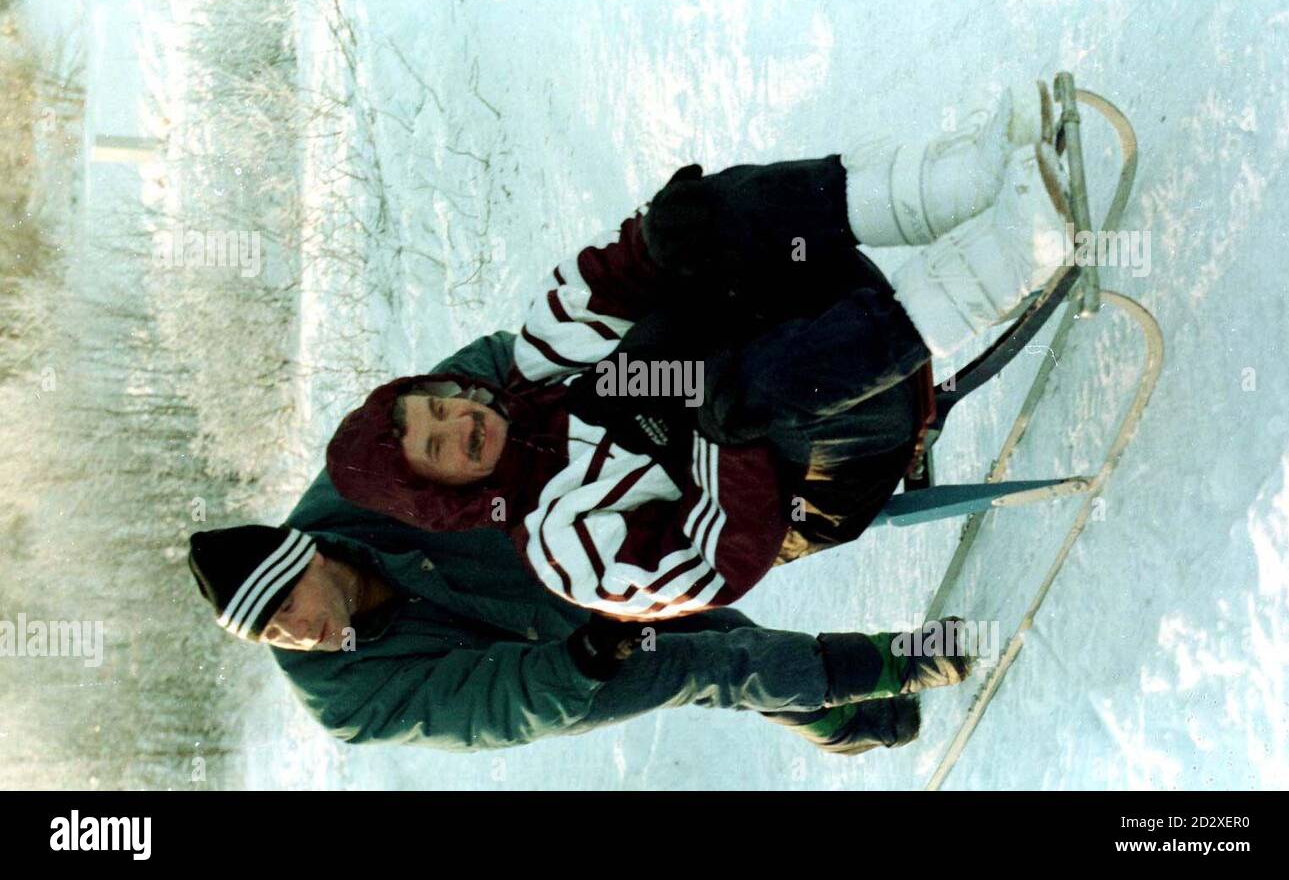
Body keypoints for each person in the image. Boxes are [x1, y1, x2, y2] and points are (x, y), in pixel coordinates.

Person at [323, 81, 1069, 621]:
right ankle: (1007, 258)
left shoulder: (544, 345)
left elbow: (620, 267)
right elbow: (719, 567)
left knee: (705, 223)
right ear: (438, 493)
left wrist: (659, 234)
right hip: (824, 464)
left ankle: (962, 180)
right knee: (713, 390)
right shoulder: (562, 546)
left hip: (825, 318)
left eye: (436, 405)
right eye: (435, 445)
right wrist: (720, 434)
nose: (457, 423)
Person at [183, 330, 972, 755]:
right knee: (704, 661)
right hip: (554, 674)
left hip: (571, 552)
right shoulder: (339, 696)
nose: (294, 634)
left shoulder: (365, 482)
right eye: (269, 632)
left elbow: (485, 373)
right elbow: (484, 704)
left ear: (307, 554)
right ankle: (898, 662)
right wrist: (585, 660)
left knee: (721, 629)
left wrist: (581, 387)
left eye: (283, 605)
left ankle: (835, 722)